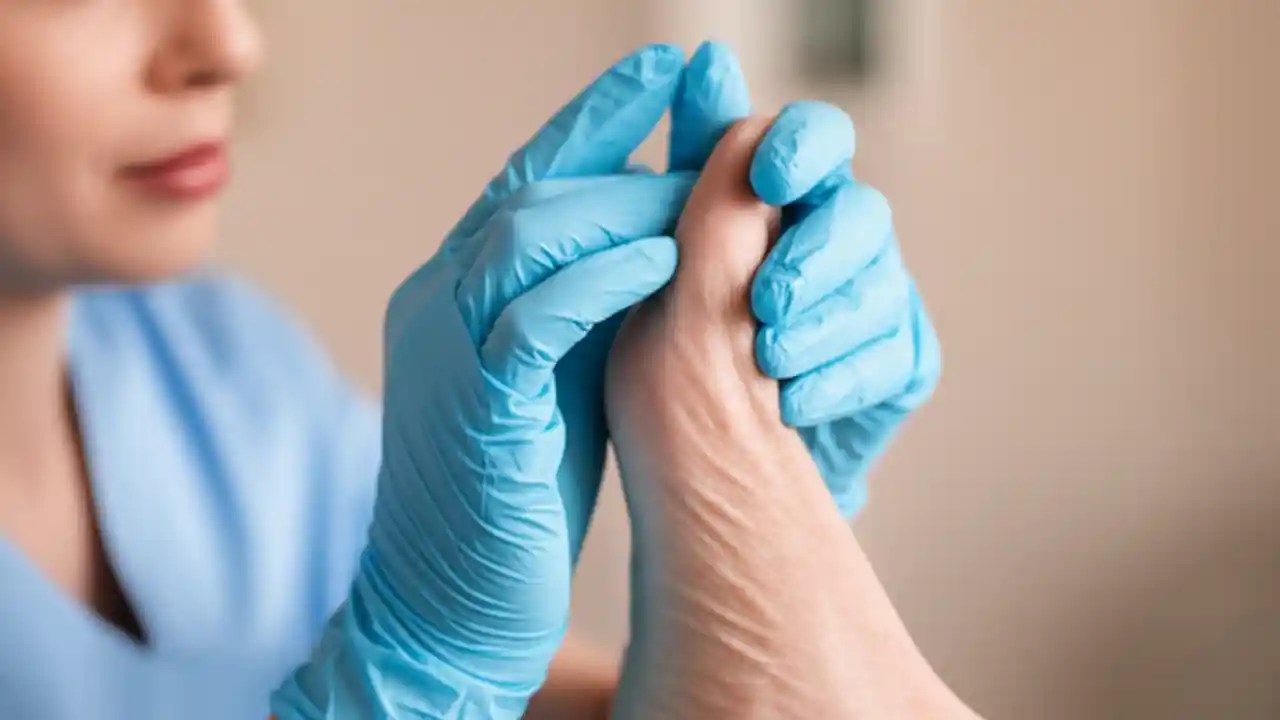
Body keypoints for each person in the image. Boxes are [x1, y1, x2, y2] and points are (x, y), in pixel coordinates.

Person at [0, 1, 943, 718]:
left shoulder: (221, 369)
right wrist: (421, 661)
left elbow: (555, 698)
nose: (229, 44)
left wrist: (754, 540)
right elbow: (443, 666)